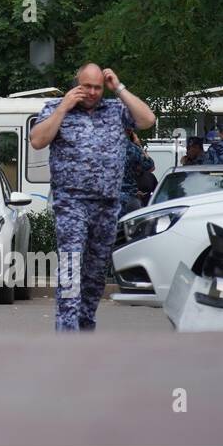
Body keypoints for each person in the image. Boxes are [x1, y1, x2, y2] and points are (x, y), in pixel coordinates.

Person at [30, 63, 156, 332]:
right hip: (71, 203)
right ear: (77, 83)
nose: (92, 92)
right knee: (71, 266)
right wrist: (64, 107)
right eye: (87, 86)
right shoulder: (56, 108)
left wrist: (119, 88)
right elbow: (38, 140)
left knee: (96, 274)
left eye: (97, 87)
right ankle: (67, 331)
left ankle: (85, 326)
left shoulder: (115, 110)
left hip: (107, 205)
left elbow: (147, 120)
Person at [120, 128, 155, 217]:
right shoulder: (131, 148)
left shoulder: (102, 146)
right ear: (129, 132)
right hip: (127, 197)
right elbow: (150, 166)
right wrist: (139, 146)